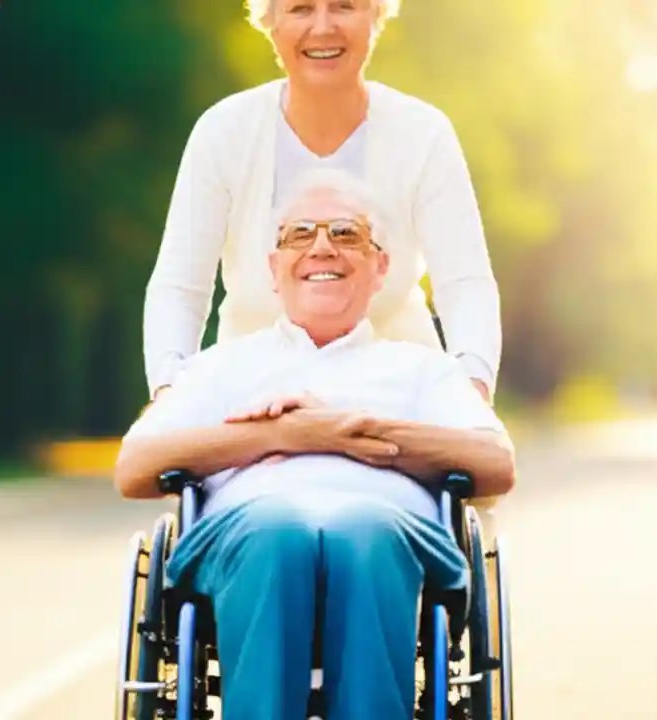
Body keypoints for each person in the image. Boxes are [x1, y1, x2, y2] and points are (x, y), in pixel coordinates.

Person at [116, 169, 516, 720]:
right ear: (273, 268)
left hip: (387, 534)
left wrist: (355, 429)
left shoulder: (423, 370)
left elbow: (496, 462)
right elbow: (134, 466)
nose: (322, 247)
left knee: (365, 529)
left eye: (347, 233)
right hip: (250, 533)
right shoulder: (218, 368)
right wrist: (275, 436)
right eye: (299, 233)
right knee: (277, 531)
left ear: (381, 268)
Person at [144, 0, 501, 406]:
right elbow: (180, 286)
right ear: (271, 20)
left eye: (343, 6)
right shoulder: (223, 132)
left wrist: (471, 390)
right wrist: (169, 393)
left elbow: (465, 282)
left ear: (375, 14)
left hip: (399, 399)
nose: (323, 26)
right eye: (301, 9)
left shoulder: (424, 133)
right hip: (251, 397)